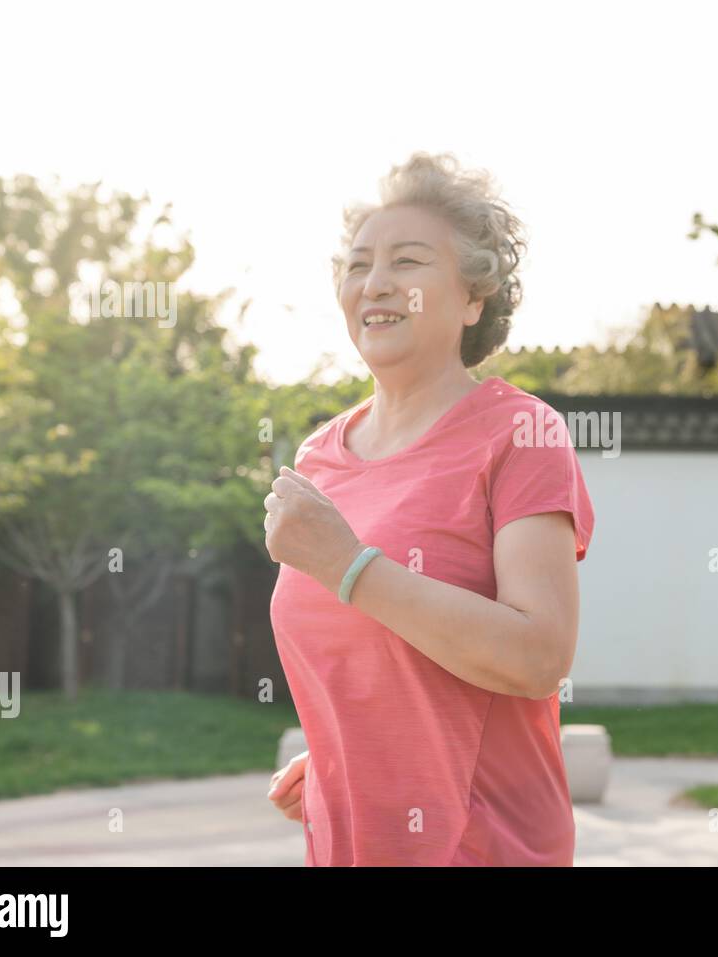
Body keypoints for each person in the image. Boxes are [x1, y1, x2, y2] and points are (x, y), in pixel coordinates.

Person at [265, 152, 593, 865]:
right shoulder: (319, 455)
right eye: (357, 266)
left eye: (407, 261)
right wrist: (344, 767)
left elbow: (538, 655)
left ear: (473, 298)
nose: (375, 283)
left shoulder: (520, 432)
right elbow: (377, 672)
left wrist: (350, 566)